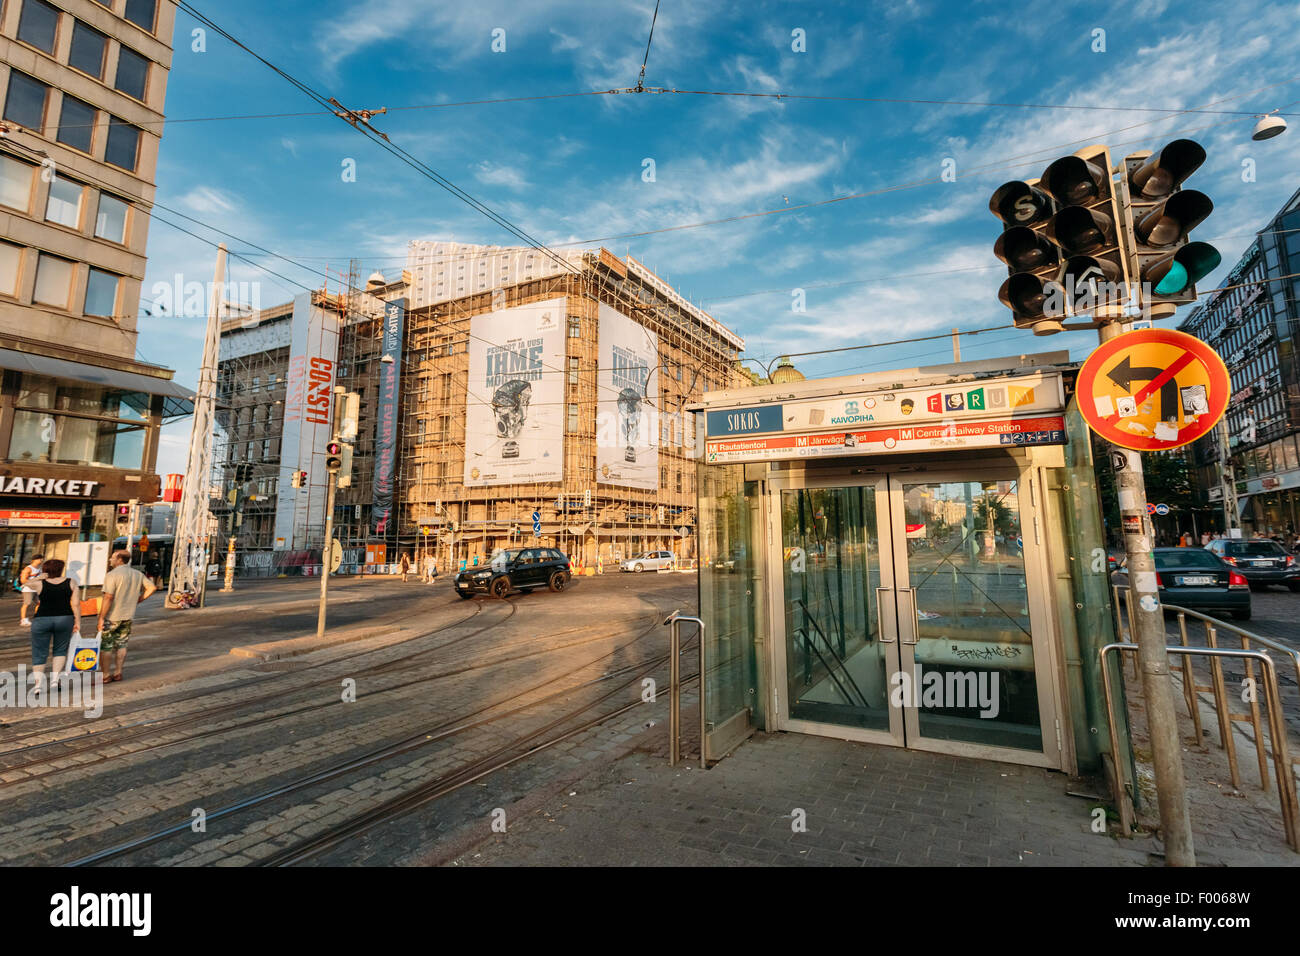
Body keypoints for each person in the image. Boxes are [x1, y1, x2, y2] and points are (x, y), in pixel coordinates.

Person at [98, 549, 156, 683]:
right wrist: (139, 599)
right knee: (122, 645)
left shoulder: (112, 575)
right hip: (128, 615)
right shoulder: (137, 574)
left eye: (112, 557)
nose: (110, 560)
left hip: (111, 616)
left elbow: (108, 597)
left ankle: (105, 675)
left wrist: (101, 617)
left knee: (106, 646)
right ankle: (118, 672)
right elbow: (152, 588)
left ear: (119, 559)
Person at [25, 558, 79, 690]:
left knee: (39, 652)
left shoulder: (40, 584)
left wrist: (39, 578)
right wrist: (77, 621)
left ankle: (38, 685)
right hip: (65, 618)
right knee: (60, 650)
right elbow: (76, 604)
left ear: (45, 570)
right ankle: (55, 680)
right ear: (61, 569)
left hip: (42, 619)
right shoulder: (71, 582)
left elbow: (24, 584)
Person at [19, 554, 44, 622]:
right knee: (27, 603)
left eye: (41, 559)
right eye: (40, 559)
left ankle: (37, 617)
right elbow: (23, 580)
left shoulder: (40, 568)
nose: (41, 560)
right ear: (34, 560)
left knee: (41, 603)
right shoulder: (28, 568)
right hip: (28, 589)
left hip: (36, 589)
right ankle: (23, 620)